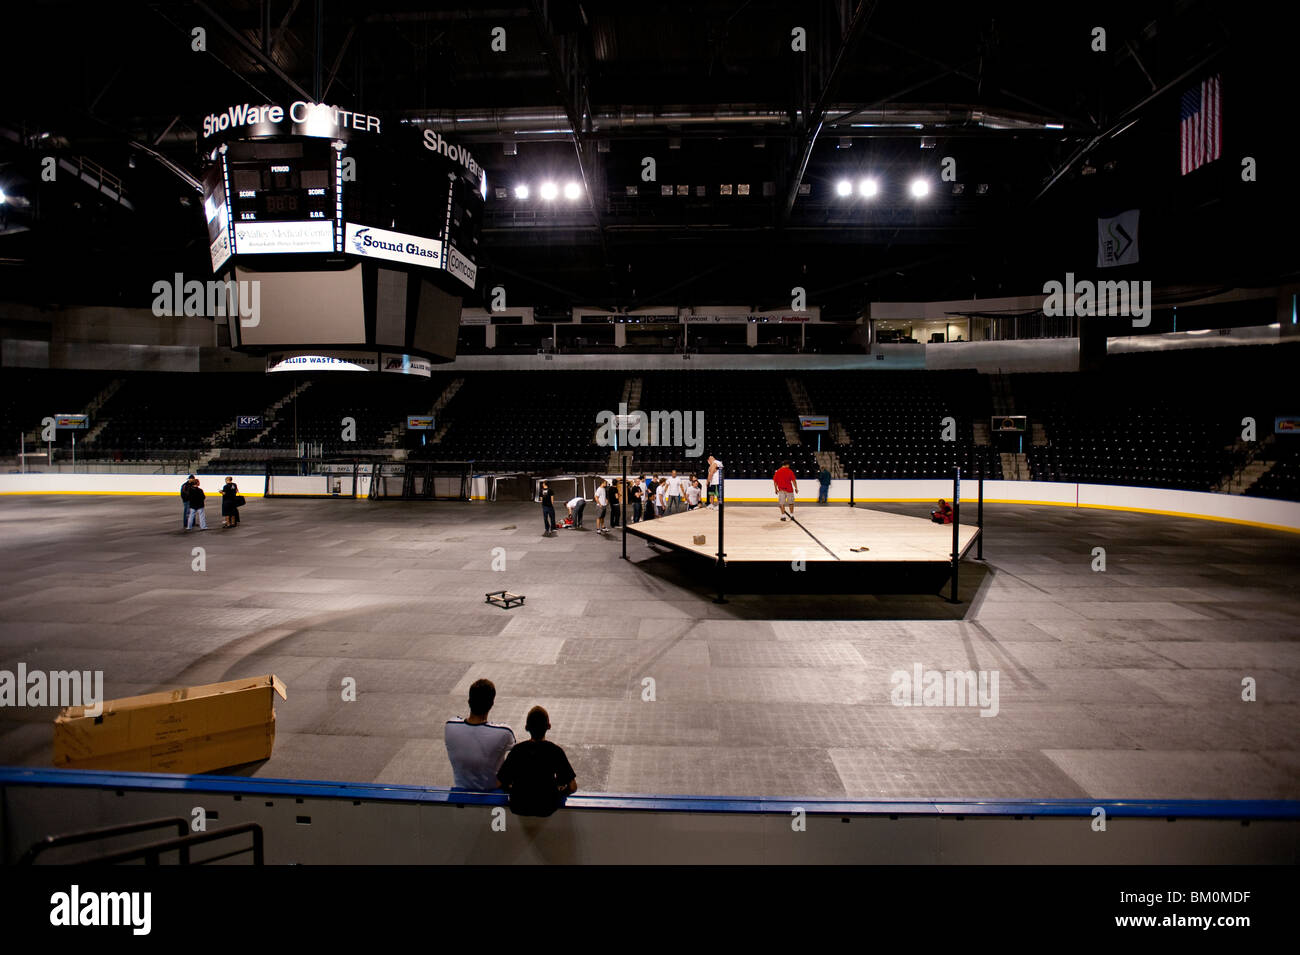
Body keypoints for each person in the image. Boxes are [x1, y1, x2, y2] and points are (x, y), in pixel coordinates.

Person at [494, 705, 577, 817]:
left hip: (519, 806)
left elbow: (499, 783)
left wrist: (514, 790)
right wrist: (558, 793)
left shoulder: (517, 751)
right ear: (548, 726)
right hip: (547, 807)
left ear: (527, 727)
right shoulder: (555, 751)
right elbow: (572, 787)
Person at [444, 679, 516, 791]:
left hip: (461, 791)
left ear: (469, 702)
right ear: (492, 704)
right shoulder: (504, 732)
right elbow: (517, 755)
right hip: (492, 792)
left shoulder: (450, 726)